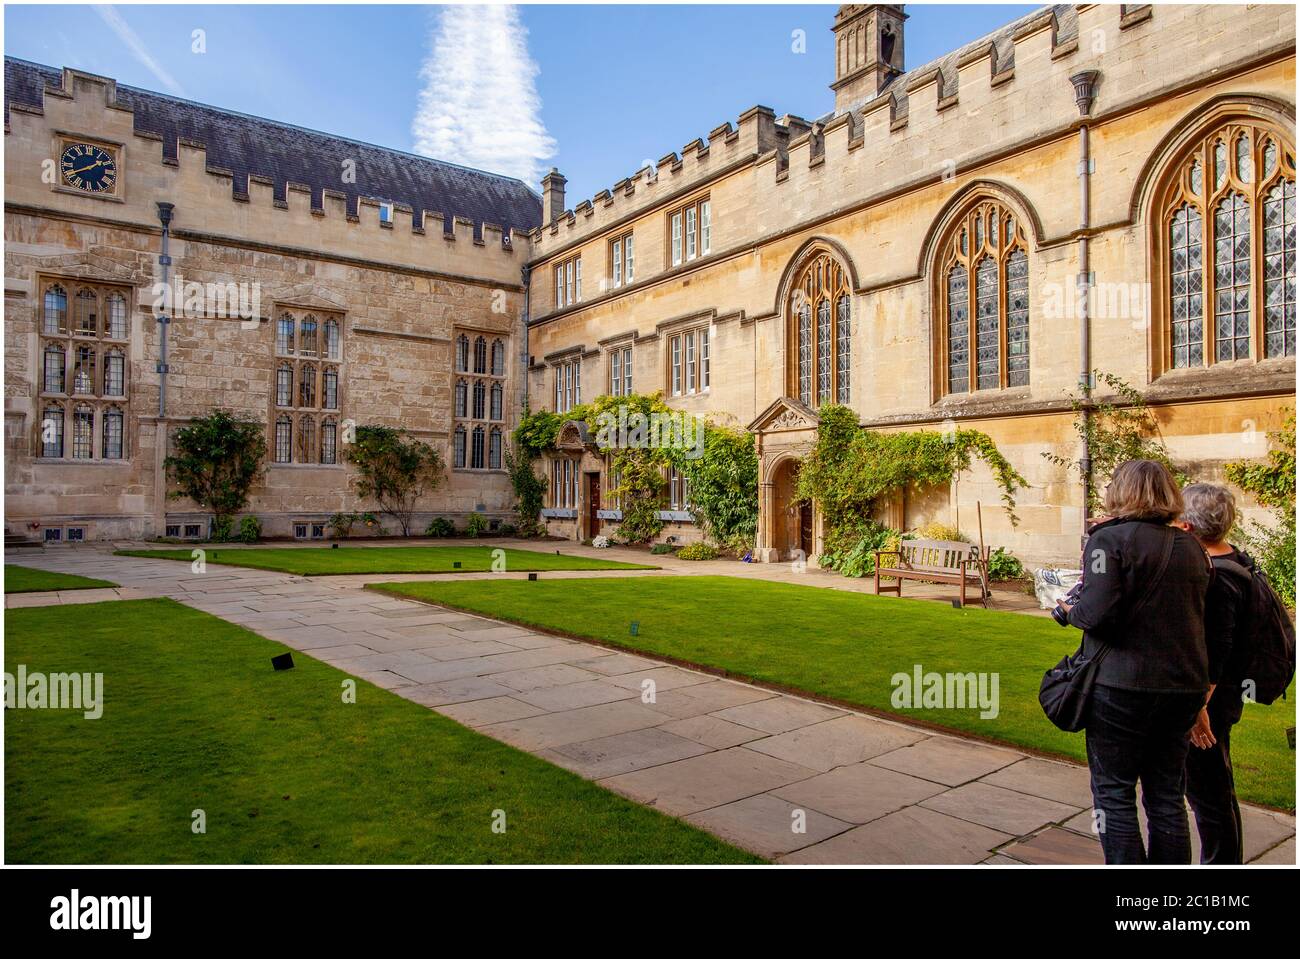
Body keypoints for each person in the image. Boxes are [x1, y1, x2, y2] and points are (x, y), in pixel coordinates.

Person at [1058, 460, 1213, 864]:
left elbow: (1095, 615)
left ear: (1121, 493)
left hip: (1122, 686)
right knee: (1166, 796)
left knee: (1114, 793)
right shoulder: (1192, 547)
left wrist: (1066, 610)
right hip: (1182, 687)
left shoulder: (1108, 541)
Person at [1177, 483, 1251, 864]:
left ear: (1189, 525)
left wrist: (1197, 707)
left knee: (1209, 793)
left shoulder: (1220, 576)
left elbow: (1216, 651)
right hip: (1222, 695)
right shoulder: (1233, 560)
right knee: (1216, 786)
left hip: (1212, 700)